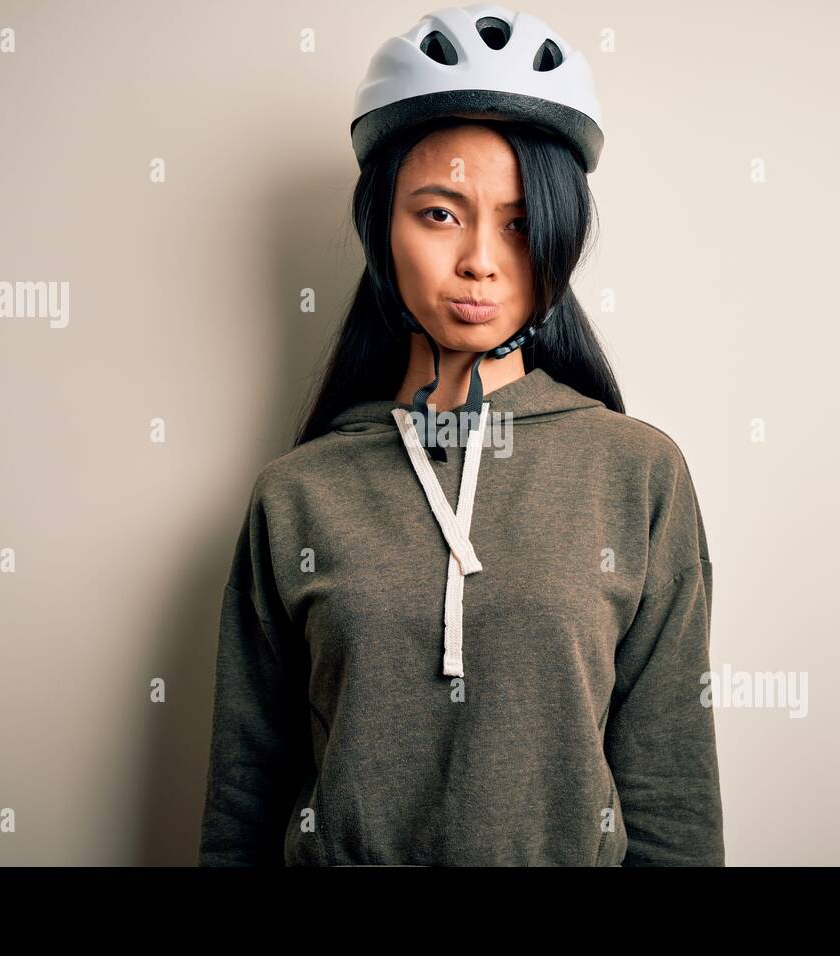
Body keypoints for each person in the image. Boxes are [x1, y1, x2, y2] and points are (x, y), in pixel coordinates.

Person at [198, 3, 724, 866]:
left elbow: (673, 799)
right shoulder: (297, 494)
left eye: (519, 223)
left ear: (561, 236)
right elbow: (244, 800)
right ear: (380, 228)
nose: (481, 258)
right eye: (440, 213)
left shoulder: (639, 474)